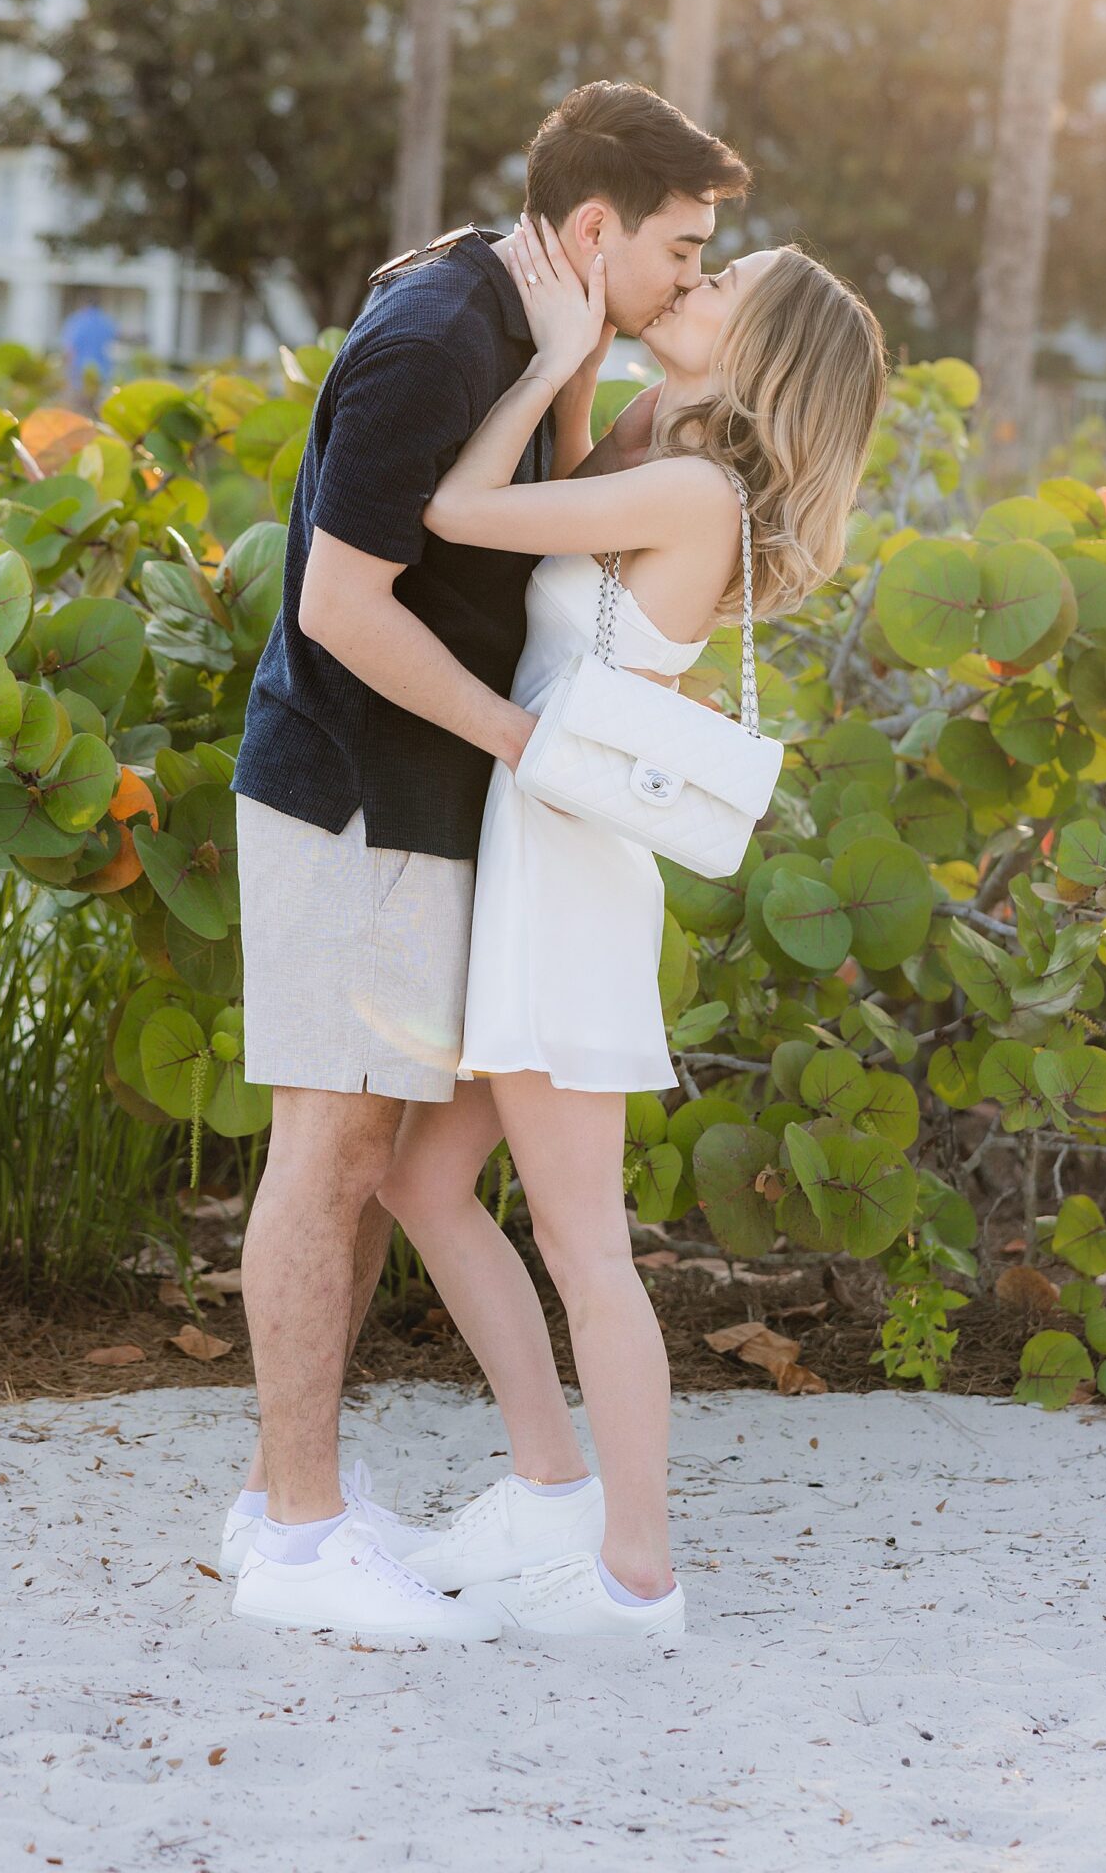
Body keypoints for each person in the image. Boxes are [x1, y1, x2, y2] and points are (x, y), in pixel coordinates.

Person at [223, 82, 750, 1645]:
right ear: (594, 230)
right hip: (352, 795)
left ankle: (290, 1499)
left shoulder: (522, 324)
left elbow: (531, 519)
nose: (687, 278)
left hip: (433, 801)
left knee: (379, 1159)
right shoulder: (436, 337)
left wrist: (577, 355)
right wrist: (527, 750)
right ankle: (303, 1538)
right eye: (679, 249)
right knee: (328, 1152)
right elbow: (342, 607)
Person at [375, 217, 887, 1645]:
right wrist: (591, 364)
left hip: (562, 879)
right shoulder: (673, 462)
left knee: (583, 1240)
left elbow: (459, 514)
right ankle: (549, 1485)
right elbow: (552, 519)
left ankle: (634, 1572)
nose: (693, 282)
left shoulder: (693, 496)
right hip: (544, 857)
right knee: (421, 1187)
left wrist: (547, 357)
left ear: (762, 350)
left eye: (721, 284)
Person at [61, 295, 119, 402]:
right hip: (102, 370)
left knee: (78, 406)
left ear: (84, 305)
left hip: (79, 370)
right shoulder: (106, 321)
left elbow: (70, 347)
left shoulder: (77, 320)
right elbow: (114, 341)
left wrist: (67, 370)